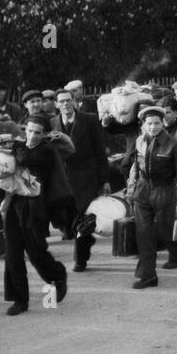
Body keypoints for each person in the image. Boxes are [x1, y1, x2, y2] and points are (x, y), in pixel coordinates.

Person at [2, 115, 71, 312]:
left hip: (36, 208)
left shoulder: (47, 151)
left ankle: (57, 274)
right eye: (29, 131)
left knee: (35, 253)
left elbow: (24, 159)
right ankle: (19, 299)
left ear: (45, 134)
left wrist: (15, 145)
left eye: (37, 132)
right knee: (12, 253)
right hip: (16, 204)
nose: (31, 136)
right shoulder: (23, 145)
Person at [126, 106, 177, 286]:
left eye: (157, 123)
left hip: (165, 192)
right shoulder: (139, 141)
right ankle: (148, 276)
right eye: (149, 123)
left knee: (167, 232)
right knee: (143, 234)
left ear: (163, 123)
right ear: (144, 125)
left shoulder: (173, 144)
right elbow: (137, 168)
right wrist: (132, 190)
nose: (153, 127)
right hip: (143, 192)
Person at [56, 88, 108, 271]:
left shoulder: (89, 120)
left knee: (82, 218)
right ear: (57, 105)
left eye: (68, 100)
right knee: (67, 220)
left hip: (86, 178)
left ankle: (80, 260)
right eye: (61, 101)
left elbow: (100, 151)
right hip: (63, 181)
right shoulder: (52, 123)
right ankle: (87, 238)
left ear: (74, 101)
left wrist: (104, 180)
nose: (66, 104)